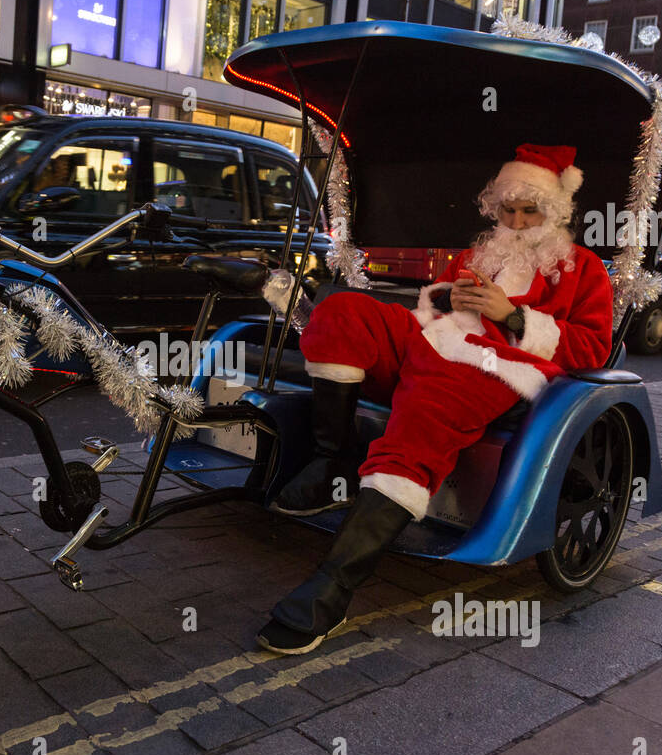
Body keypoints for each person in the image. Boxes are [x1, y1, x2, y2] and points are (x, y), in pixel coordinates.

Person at [256, 144, 614, 655]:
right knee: (342, 311)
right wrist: (451, 298)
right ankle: (330, 460)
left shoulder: (584, 270)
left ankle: (330, 588)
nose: (515, 221)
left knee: (434, 396)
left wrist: (512, 317)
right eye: (507, 209)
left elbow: (592, 348)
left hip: (500, 367)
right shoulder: (478, 253)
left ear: (555, 211)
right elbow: (437, 306)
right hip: (435, 341)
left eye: (529, 210)